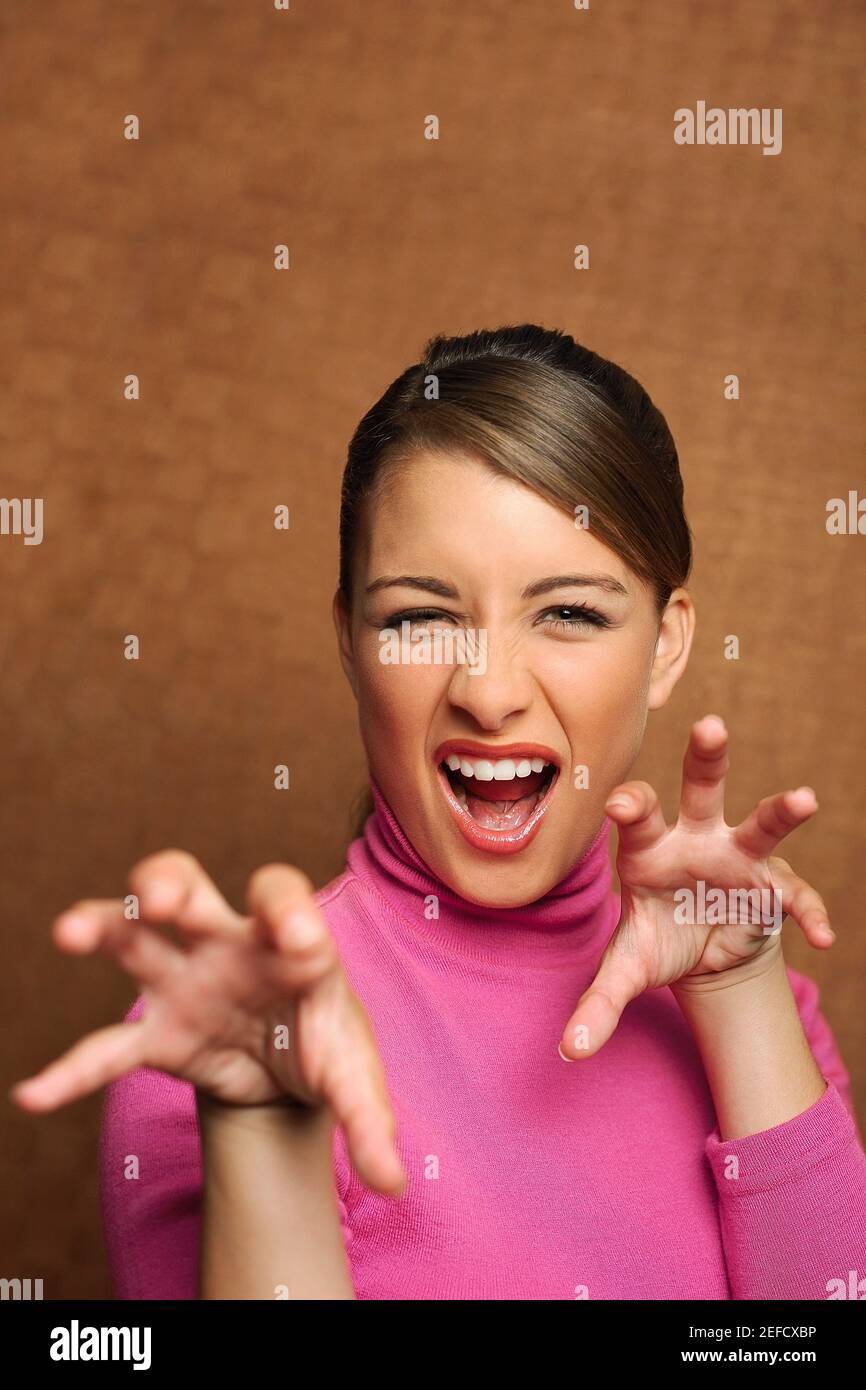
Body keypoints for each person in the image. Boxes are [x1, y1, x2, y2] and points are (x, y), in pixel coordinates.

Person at [12, 324, 866, 1300]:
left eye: (570, 612)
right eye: (419, 616)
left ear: (665, 646)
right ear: (350, 640)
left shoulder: (759, 1007)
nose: (487, 689)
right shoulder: (231, 1041)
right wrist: (260, 1128)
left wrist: (737, 989)